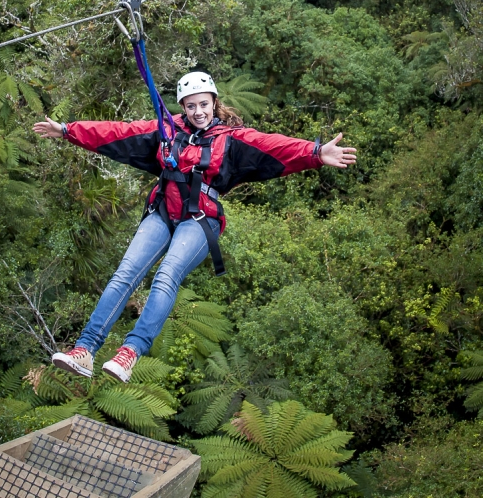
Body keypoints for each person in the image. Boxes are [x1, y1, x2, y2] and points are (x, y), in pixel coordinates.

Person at [33, 71, 356, 383]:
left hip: (200, 220)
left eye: (204, 104)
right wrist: (67, 130)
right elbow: (118, 132)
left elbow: (274, 145)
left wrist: (315, 152)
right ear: (182, 107)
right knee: (126, 272)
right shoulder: (165, 130)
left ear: (214, 103)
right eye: (191, 105)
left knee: (166, 275)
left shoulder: (231, 138)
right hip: (163, 212)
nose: (198, 112)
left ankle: (129, 353)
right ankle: (84, 349)